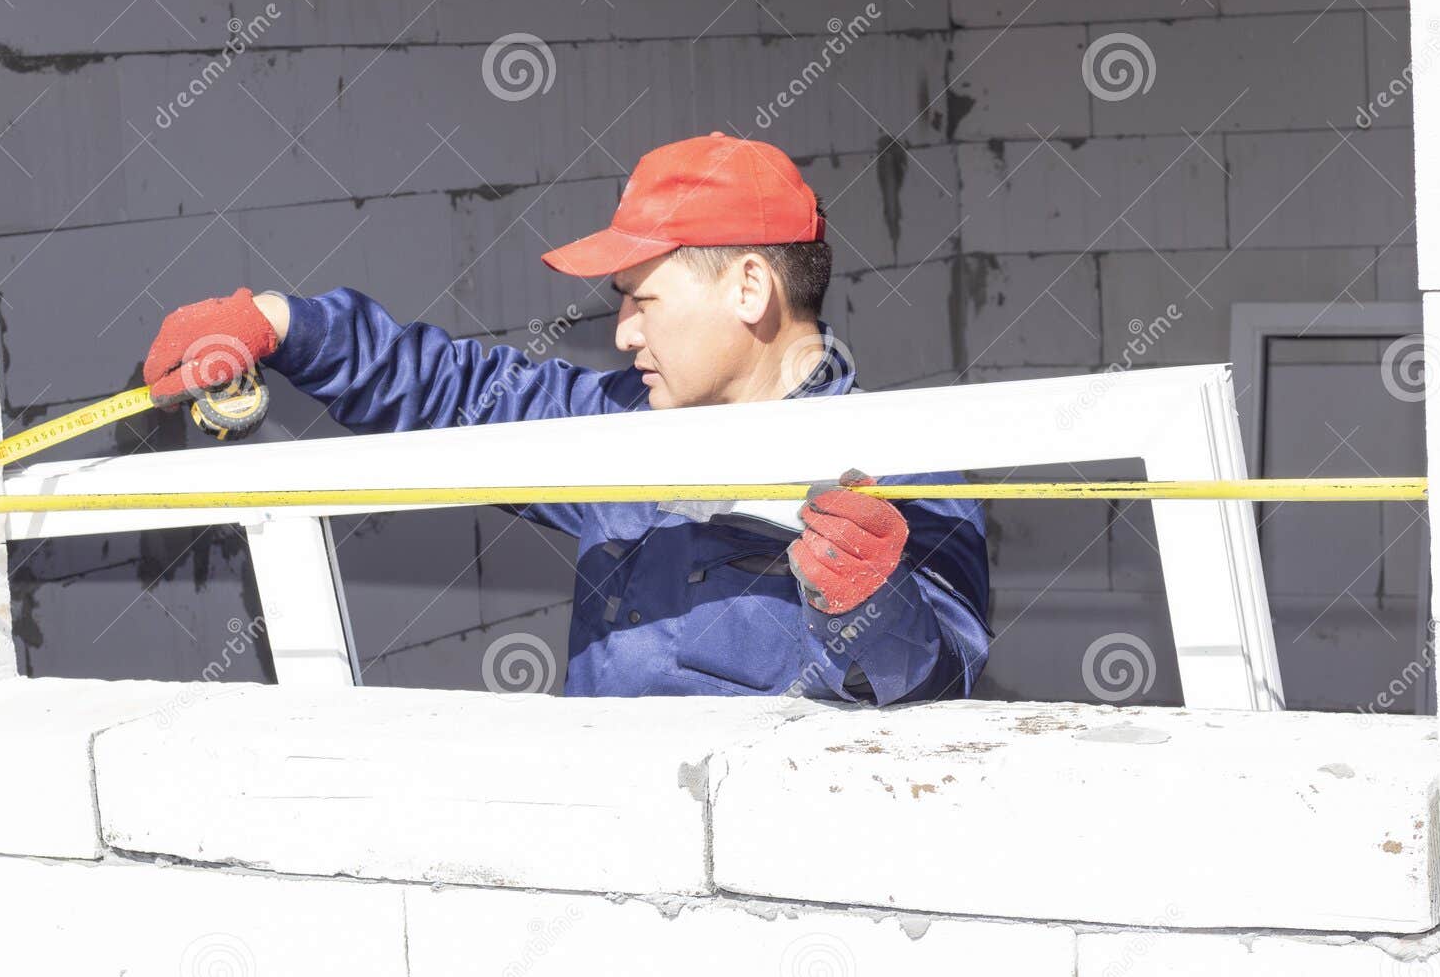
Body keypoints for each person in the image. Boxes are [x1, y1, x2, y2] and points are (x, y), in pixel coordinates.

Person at [142, 133, 990, 704]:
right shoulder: (620, 425)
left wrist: (872, 605)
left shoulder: (900, 466)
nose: (623, 334)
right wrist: (284, 325)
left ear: (749, 288)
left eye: (640, 300)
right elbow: (451, 391)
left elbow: (943, 682)